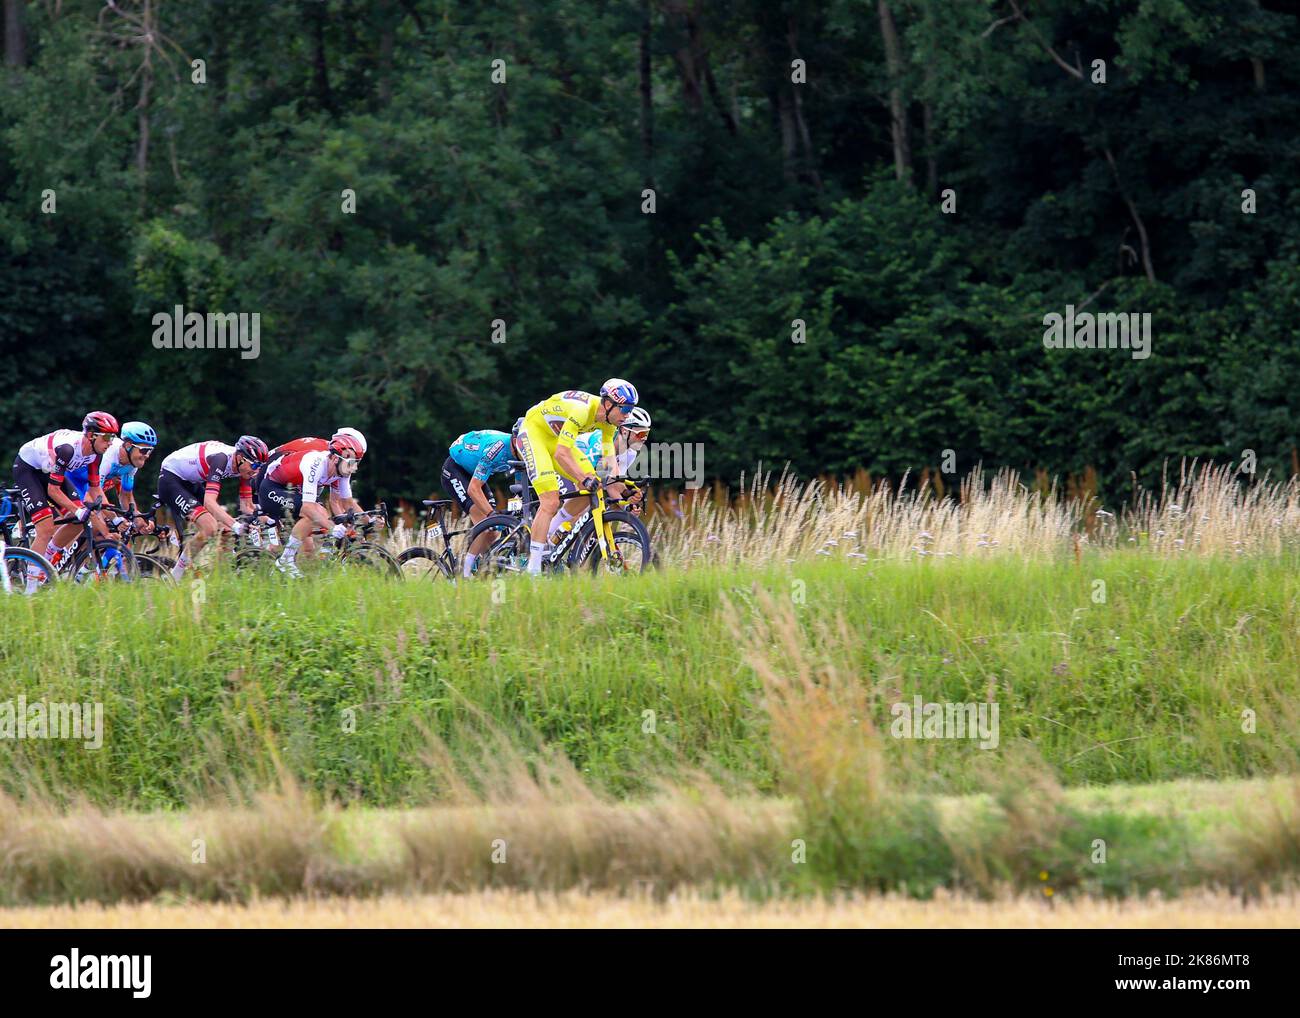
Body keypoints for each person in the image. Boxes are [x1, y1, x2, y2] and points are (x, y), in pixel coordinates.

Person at [515, 379, 638, 574]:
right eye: (625, 409)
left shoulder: (609, 424)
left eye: (631, 409)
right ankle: (533, 569)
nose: (627, 415)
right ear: (608, 404)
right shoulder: (583, 411)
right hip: (534, 434)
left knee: (593, 485)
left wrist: (622, 490)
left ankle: (550, 536)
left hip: (555, 439)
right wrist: (584, 478)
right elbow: (562, 454)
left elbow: (609, 462)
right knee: (550, 501)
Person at [11, 412, 119, 586]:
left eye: (112, 437)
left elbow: (95, 489)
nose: (110, 443)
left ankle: (47, 559)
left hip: (47, 471)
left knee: (79, 519)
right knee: (46, 529)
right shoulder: (68, 449)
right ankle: (30, 590)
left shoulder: (95, 455)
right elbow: (53, 490)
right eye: (107, 437)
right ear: (91, 435)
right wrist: (77, 509)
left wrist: (111, 525)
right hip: (28, 469)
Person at [158, 435, 270, 579]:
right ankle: (174, 577)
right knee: (209, 527)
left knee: (227, 531)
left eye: (260, 467)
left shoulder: (244, 468)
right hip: (171, 479)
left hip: (191, 482)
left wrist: (268, 520)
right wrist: (237, 525)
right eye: (254, 465)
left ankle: (217, 577)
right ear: (240, 457)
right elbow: (209, 502)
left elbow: (246, 506)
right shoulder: (221, 458)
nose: (256, 471)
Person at [269, 432, 368, 577]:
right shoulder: (319, 459)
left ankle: (301, 577)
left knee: (309, 547)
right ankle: (282, 560)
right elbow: (314, 506)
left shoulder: (342, 466)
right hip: (272, 485)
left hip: (295, 488)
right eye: (353, 461)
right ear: (337, 457)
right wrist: (333, 528)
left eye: (357, 462)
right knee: (313, 514)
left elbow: (347, 503)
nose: (354, 467)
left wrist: (368, 519)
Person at [549, 407, 652, 545]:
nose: (644, 439)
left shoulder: (630, 454)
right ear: (625, 430)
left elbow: (613, 484)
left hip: (584, 471)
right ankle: (547, 537)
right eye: (641, 434)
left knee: (598, 506)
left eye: (647, 434)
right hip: (564, 463)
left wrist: (628, 503)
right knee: (585, 497)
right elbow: (586, 476)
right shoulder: (601, 439)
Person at [442, 428, 517, 576]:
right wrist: (492, 514)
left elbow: (520, 489)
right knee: (485, 523)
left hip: (472, 472)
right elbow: (473, 489)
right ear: (515, 441)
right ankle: (464, 572)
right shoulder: (497, 449)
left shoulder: (523, 453)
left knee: (493, 532)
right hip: (455, 469)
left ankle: (477, 565)